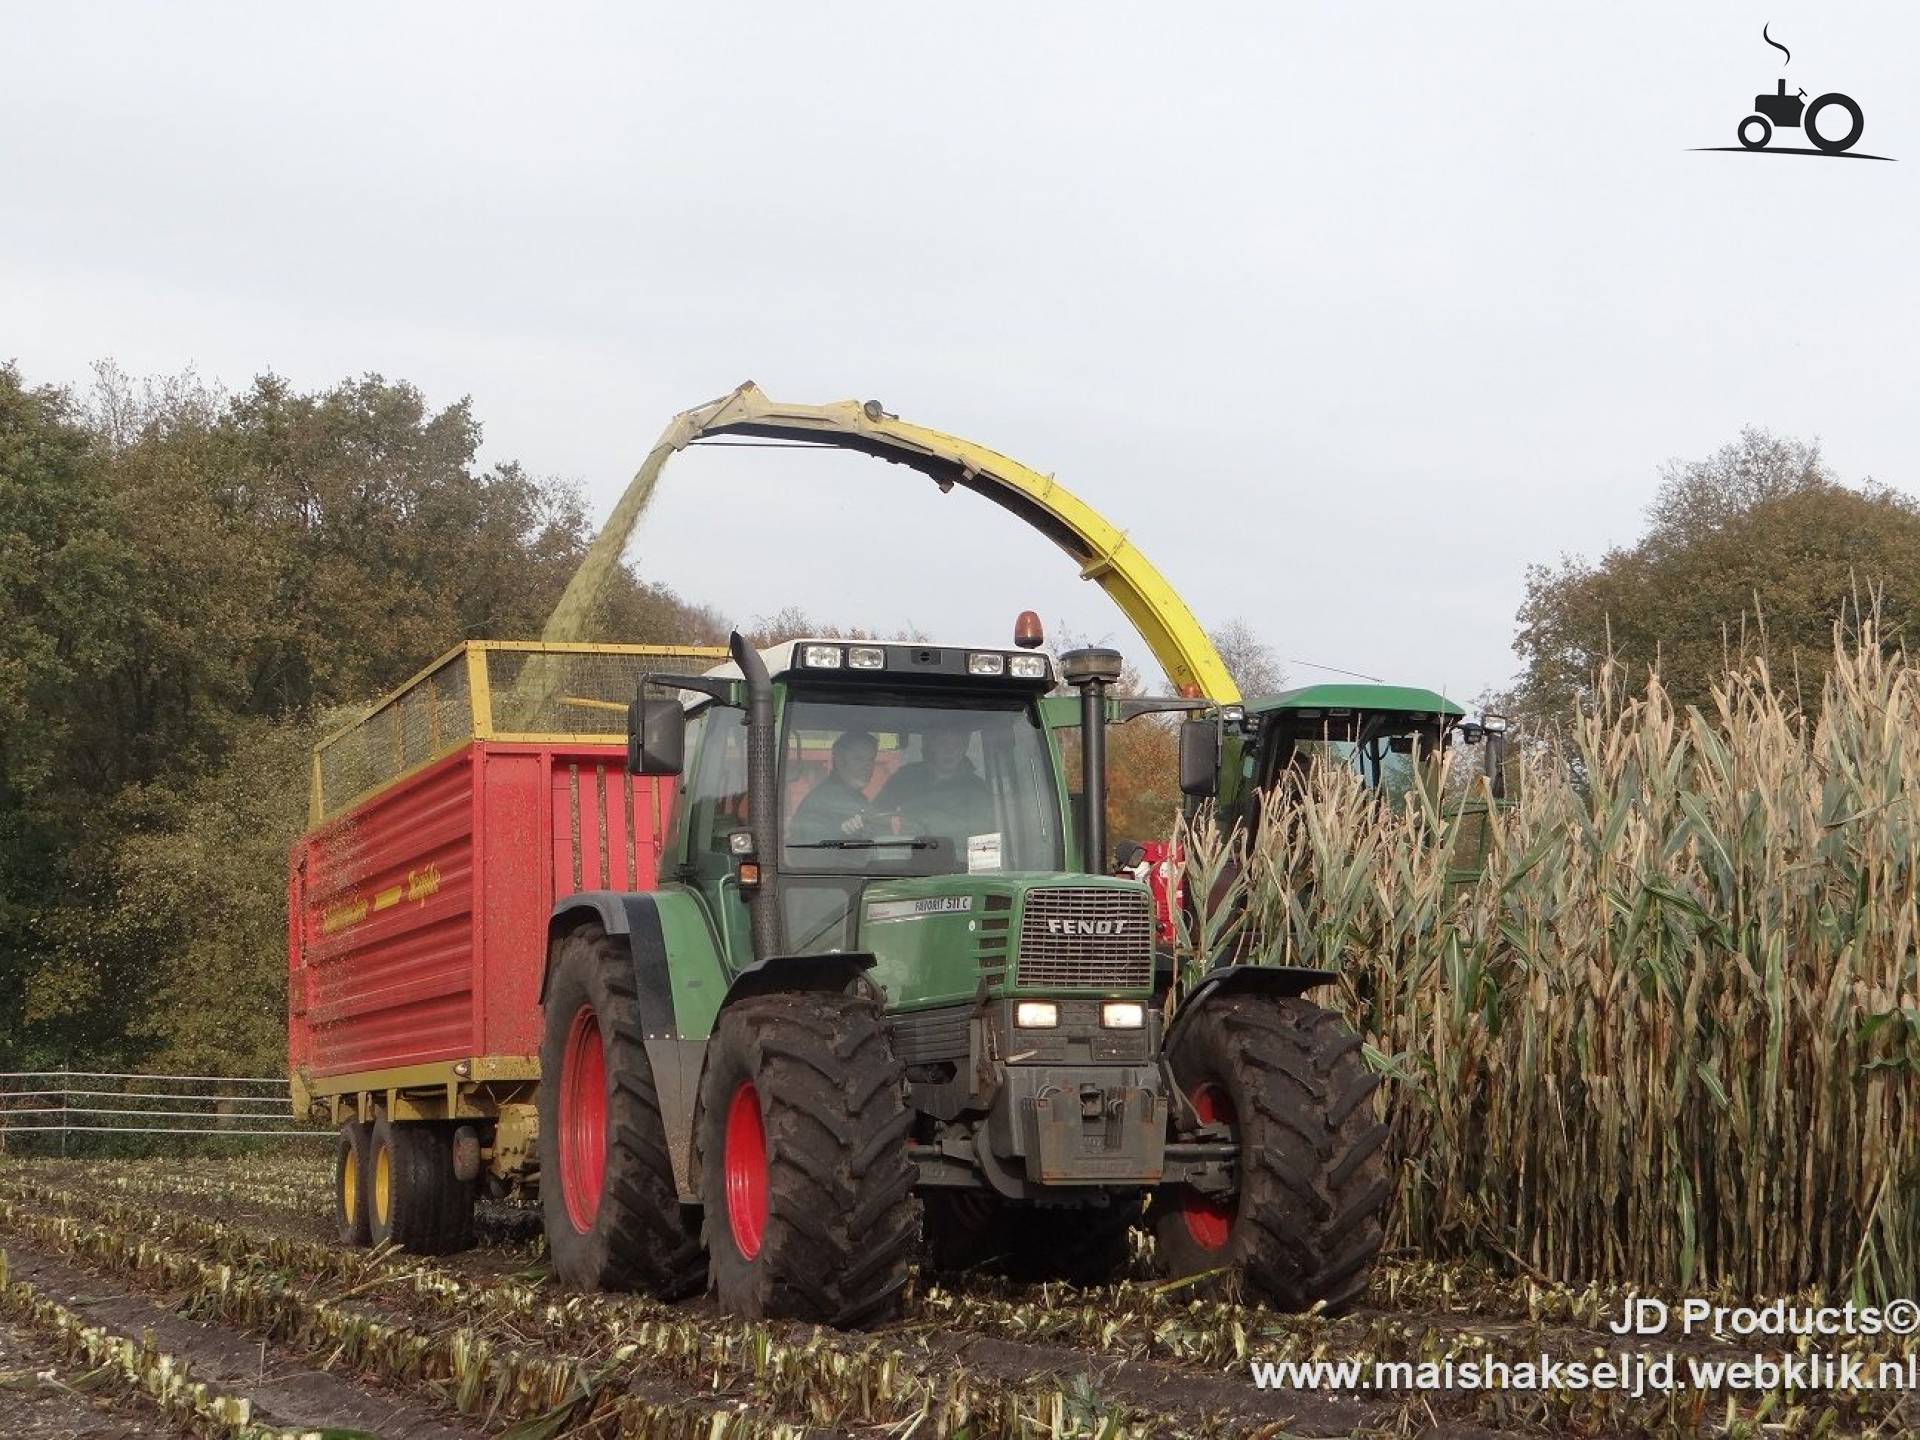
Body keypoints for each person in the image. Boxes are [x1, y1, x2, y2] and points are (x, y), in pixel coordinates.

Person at [874, 724, 993, 842]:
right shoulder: (907, 777)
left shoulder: (976, 787)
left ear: (964, 749)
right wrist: (886, 842)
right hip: (913, 855)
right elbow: (877, 812)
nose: (950, 751)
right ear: (931, 746)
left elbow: (984, 836)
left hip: (957, 857)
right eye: (943, 743)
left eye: (957, 745)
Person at [789, 731, 879, 841]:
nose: (867, 766)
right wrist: (842, 832)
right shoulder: (821, 802)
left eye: (871, 759)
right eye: (858, 759)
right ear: (839, 760)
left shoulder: (858, 799)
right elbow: (808, 848)